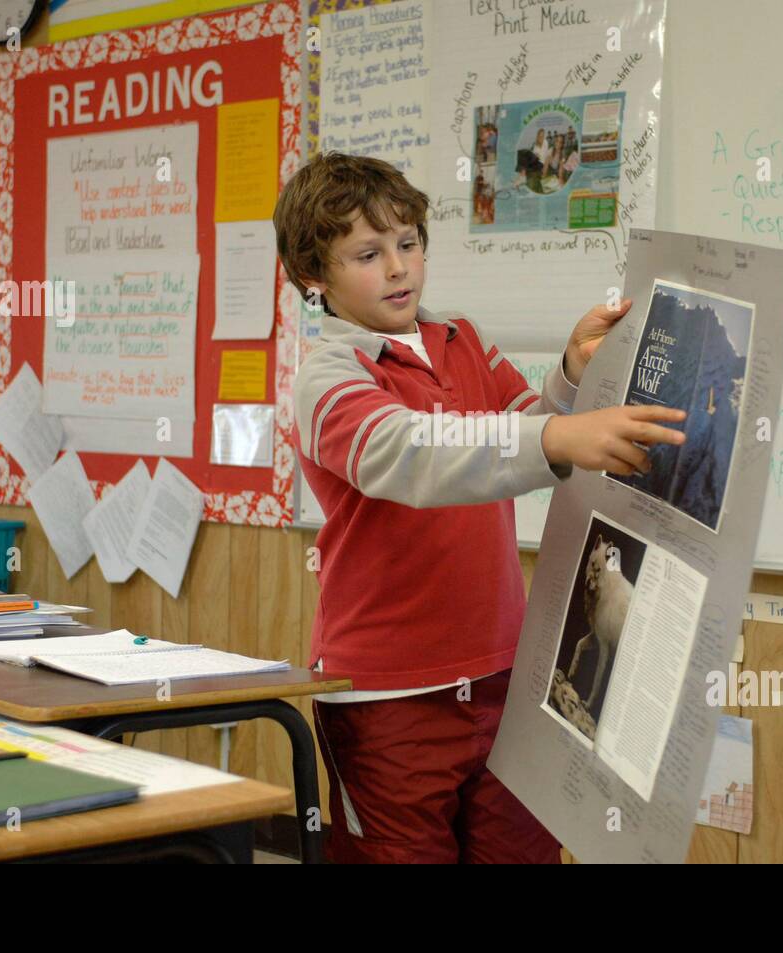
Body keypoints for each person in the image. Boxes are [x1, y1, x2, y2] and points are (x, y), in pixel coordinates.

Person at [273, 152, 686, 863]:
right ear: (315, 275)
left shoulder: (462, 336)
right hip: (386, 700)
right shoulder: (325, 377)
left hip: (505, 680)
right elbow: (414, 454)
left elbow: (530, 425)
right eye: (369, 254)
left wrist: (569, 376)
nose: (399, 267)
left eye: (409, 243)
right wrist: (560, 432)